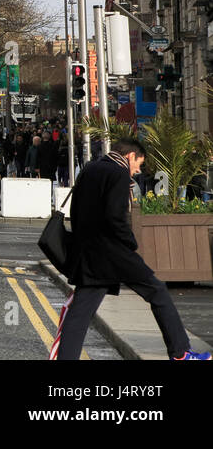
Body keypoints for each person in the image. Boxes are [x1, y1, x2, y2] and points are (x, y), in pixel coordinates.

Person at [51, 138, 209, 360]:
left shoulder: (90, 168)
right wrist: (131, 244)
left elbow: (76, 210)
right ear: (130, 156)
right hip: (114, 251)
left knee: (81, 311)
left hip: (88, 251)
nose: (137, 170)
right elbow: (115, 216)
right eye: (139, 164)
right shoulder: (118, 173)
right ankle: (181, 353)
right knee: (157, 291)